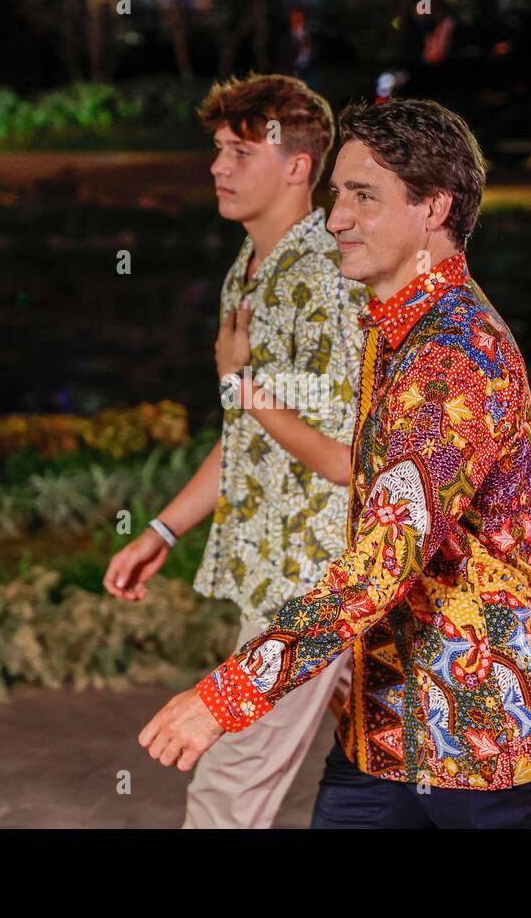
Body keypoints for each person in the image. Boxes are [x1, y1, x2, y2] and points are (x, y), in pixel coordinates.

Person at [139, 97, 531, 828]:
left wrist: (228, 695)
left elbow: (386, 558)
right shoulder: (392, 329)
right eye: (336, 194)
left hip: (481, 739)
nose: (336, 218)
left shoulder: (454, 358)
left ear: (434, 207)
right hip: (382, 731)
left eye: (363, 197)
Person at [103, 73, 368, 828]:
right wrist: (164, 529)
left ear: (296, 167)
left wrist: (244, 383)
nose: (218, 167)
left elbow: (344, 458)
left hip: (315, 582)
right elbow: (249, 439)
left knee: (227, 788)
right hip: (286, 575)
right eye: (218, 148)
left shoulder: (323, 276)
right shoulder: (247, 274)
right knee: (398, 772)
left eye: (241, 151)